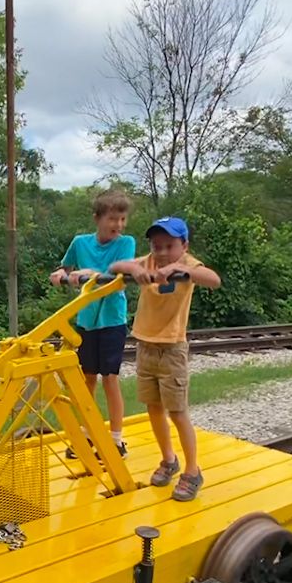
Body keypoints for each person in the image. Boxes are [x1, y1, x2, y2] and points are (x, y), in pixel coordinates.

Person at [109, 217, 221, 502]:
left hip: (172, 349)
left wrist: (181, 269)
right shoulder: (147, 262)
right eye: (156, 246)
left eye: (169, 246)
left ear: (184, 246)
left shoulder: (188, 264)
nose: (161, 252)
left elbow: (213, 280)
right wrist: (135, 269)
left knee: (177, 412)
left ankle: (192, 471)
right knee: (153, 408)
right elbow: (115, 267)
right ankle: (169, 459)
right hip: (145, 346)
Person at [48, 188, 136, 458]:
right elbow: (64, 268)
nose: (118, 224)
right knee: (86, 379)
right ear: (97, 218)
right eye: (112, 219)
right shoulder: (80, 243)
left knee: (110, 379)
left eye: (122, 219)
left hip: (112, 319)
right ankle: (86, 436)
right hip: (86, 320)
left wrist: (91, 273)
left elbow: (119, 275)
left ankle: (116, 439)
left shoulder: (126, 243)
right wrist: (60, 274)